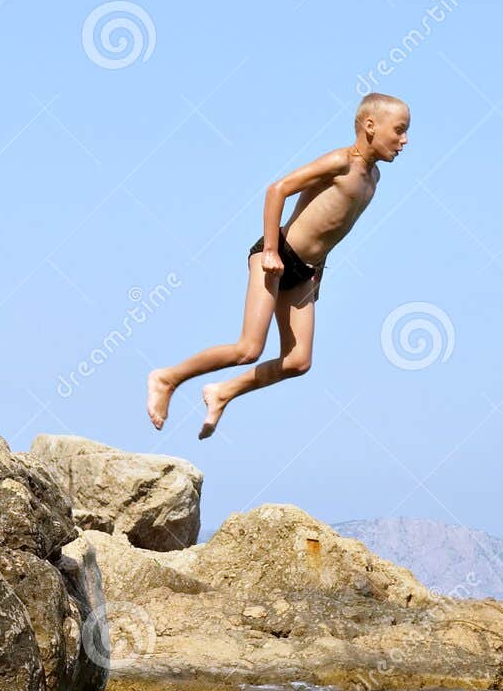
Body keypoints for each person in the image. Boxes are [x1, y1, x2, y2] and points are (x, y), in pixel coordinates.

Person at [146, 92, 410, 438]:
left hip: (305, 271)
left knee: (298, 361)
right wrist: (271, 249)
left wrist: (319, 273)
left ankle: (223, 392)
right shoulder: (340, 162)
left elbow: (333, 228)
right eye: (400, 130)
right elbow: (278, 189)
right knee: (248, 349)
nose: (404, 141)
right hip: (277, 257)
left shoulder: (373, 179)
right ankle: (167, 378)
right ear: (371, 126)